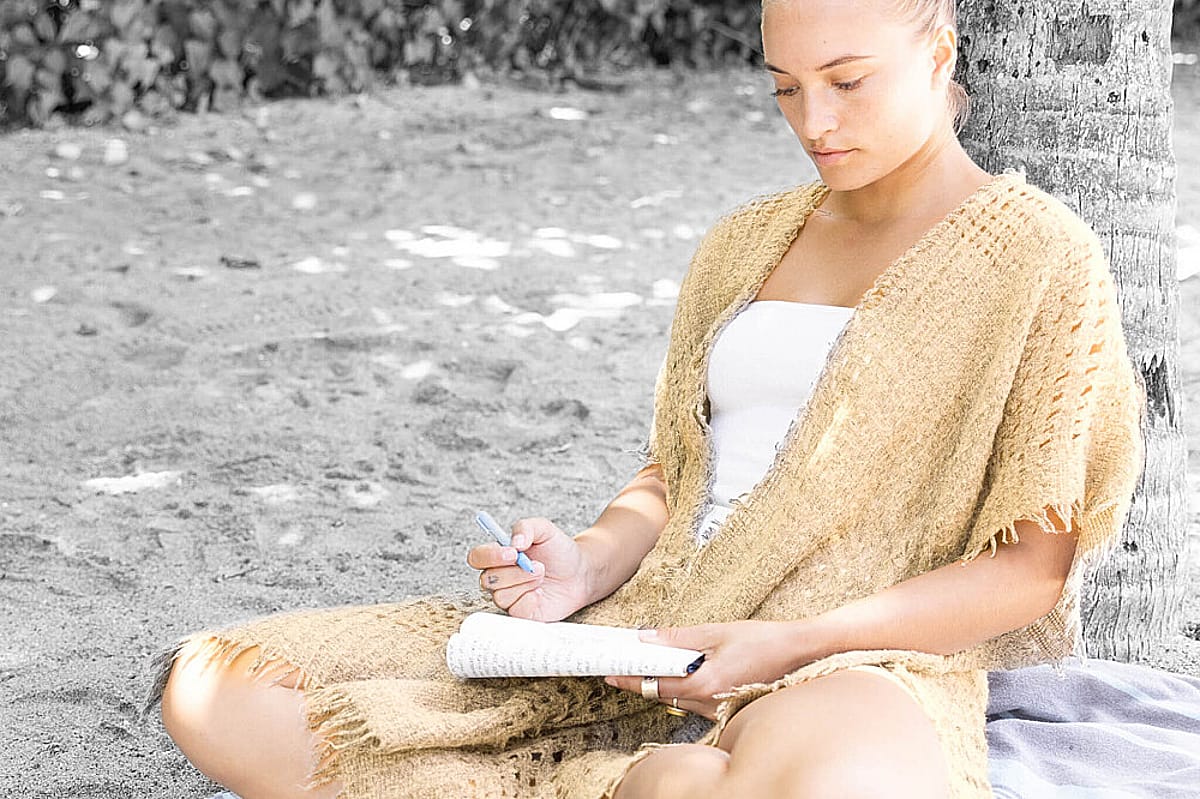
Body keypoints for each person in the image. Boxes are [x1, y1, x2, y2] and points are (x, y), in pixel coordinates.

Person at [148, 0, 1147, 797]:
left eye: (848, 81)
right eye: (787, 87)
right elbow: (674, 476)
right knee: (216, 688)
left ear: (940, 50)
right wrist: (584, 560)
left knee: (841, 780)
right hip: (635, 629)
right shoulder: (744, 242)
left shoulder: (1038, 255)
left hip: (847, 654)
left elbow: (1030, 570)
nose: (817, 122)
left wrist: (793, 640)